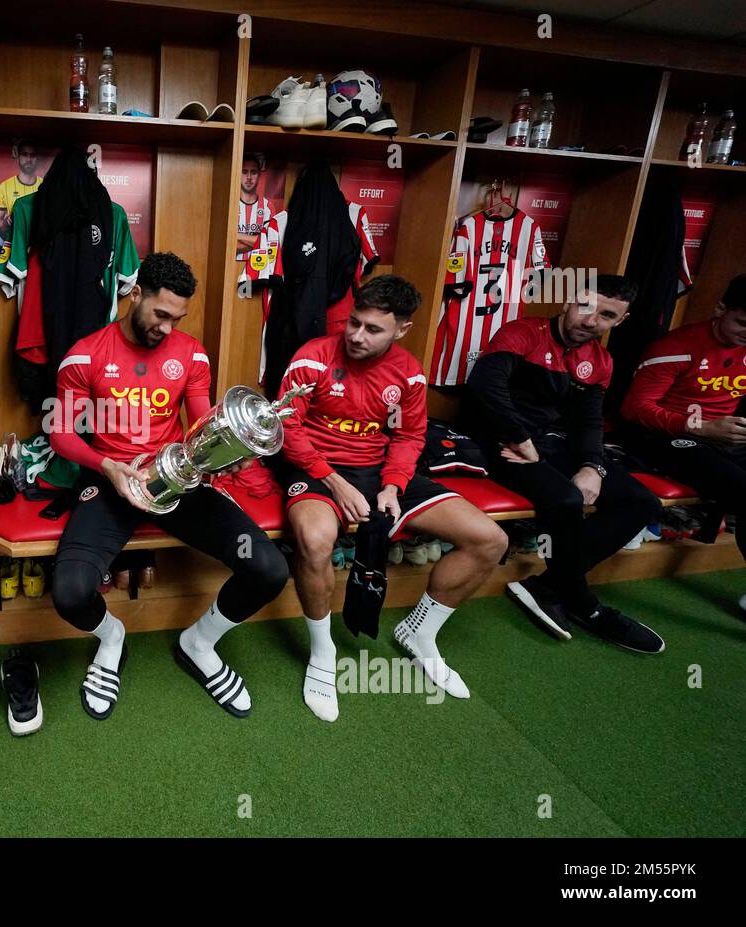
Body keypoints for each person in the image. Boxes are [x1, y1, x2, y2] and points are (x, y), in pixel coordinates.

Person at [48, 251, 289, 720]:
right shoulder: (85, 354)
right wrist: (108, 466)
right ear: (135, 294)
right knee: (70, 593)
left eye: (177, 319)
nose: (167, 327)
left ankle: (199, 643)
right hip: (113, 483)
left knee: (268, 568)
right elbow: (61, 434)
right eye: (160, 314)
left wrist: (228, 452)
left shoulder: (191, 353)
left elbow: (201, 422)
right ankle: (112, 637)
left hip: (177, 481)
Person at [275, 275, 507, 721]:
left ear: (402, 329)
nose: (357, 336)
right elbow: (286, 426)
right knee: (316, 540)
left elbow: (409, 435)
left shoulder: (409, 373)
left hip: (379, 470)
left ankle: (420, 634)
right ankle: (322, 653)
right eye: (354, 323)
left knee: (490, 540)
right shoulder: (313, 357)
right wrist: (333, 480)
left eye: (373, 329)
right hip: (317, 466)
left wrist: (393, 485)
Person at [460, 275, 665, 653]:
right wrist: (520, 437)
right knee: (566, 499)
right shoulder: (523, 333)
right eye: (585, 306)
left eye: (606, 315)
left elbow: (588, 423)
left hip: (549, 442)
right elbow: (485, 387)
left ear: (620, 321)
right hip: (498, 439)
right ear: (569, 300)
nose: (591, 320)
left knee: (642, 503)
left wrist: (592, 466)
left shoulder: (600, 361)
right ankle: (584, 603)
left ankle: (549, 585)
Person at [620, 273, 746, 613]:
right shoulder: (675, 348)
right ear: (720, 309)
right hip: (666, 437)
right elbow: (635, 409)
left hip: (723, 436)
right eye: (742, 323)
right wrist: (702, 428)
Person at [0, 140, 42, 241]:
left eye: (33, 155)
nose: (29, 159)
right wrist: (6, 223)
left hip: (39, 244)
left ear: (37, 158)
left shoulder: (45, 186)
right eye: (24, 154)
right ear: (18, 157)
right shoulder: (4, 187)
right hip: (15, 244)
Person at [235, 152, 272, 260]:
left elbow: (270, 242)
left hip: (259, 266)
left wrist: (237, 235)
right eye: (244, 172)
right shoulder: (230, 204)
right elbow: (225, 244)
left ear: (259, 175)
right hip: (231, 266)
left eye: (254, 172)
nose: (249, 177)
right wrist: (257, 240)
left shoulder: (268, 207)